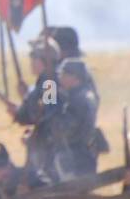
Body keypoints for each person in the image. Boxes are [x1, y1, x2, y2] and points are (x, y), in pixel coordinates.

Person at [8, 37, 61, 181]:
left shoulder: (50, 82)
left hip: (48, 152)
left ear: (44, 60)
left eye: (34, 57)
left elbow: (49, 117)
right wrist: (19, 111)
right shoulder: (43, 82)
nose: (31, 62)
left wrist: (34, 135)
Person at [48, 58, 103, 180]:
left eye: (63, 74)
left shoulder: (77, 100)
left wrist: (50, 103)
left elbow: (62, 128)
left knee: (72, 195)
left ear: (73, 77)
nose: (60, 78)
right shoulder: (85, 94)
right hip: (85, 155)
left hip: (74, 158)